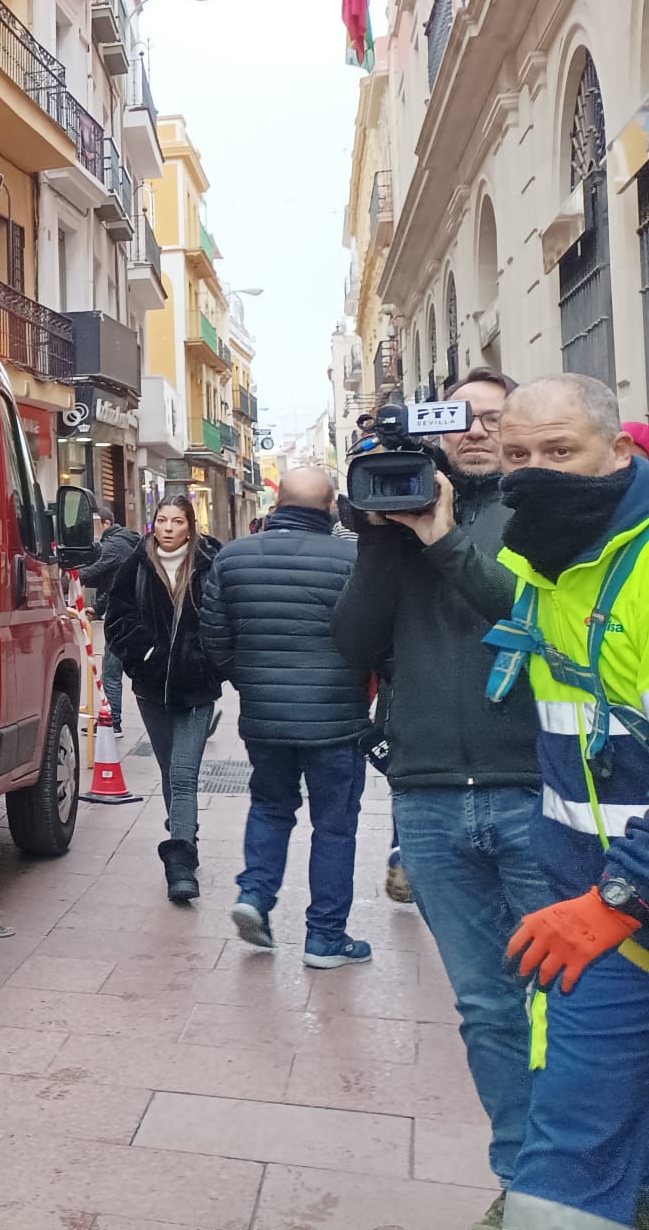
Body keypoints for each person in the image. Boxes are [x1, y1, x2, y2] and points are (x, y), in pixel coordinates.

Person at [330, 367, 545, 1226]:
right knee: (488, 1008)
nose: (476, 432)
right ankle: (524, 1183)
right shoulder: (407, 517)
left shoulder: (542, 515)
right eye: (458, 420)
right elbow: (352, 641)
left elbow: (525, 621)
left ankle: (589, 1171)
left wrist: (445, 536)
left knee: (566, 1004)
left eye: (493, 418)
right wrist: (388, 534)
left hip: (536, 788)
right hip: (426, 798)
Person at [478, 375, 649, 1230]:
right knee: (560, 1182)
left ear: (618, 451)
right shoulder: (537, 569)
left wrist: (625, 892)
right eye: (517, 457)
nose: (534, 473)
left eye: (559, 453)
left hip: (615, 908)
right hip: (598, 932)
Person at [199, 469, 373, 966]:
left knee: (272, 807)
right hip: (338, 719)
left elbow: (214, 637)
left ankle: (254, 895)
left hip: (264, 716)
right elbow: (374, 636)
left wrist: (248, 681)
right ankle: (325, 939)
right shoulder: (353, 558)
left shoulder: (232, 558)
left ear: (277, 501)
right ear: (332, 506)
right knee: (334, 826)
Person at [103, 495, 223, 902]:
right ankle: (185, 835)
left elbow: (227, 617)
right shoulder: (135, 565)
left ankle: (180, 864)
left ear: (191, 525)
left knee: (184, 775)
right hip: (151, 688)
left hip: (196, 688)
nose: (168, 528)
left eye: (176, 521)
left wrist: (210, 660)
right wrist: (146, 654)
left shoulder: (211, 562)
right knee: (170, 769)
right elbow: (117, 617)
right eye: (161, 520)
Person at [79, 505, 141, 731]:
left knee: (112, 673)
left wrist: (62, 575)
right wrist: (96, 608)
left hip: (124, 620)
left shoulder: (112, 546)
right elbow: (116, 585)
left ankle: (111, 722)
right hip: (135, 616)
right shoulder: (127, 541)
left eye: (94, 524)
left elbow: (87, 572)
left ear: (105, 523)